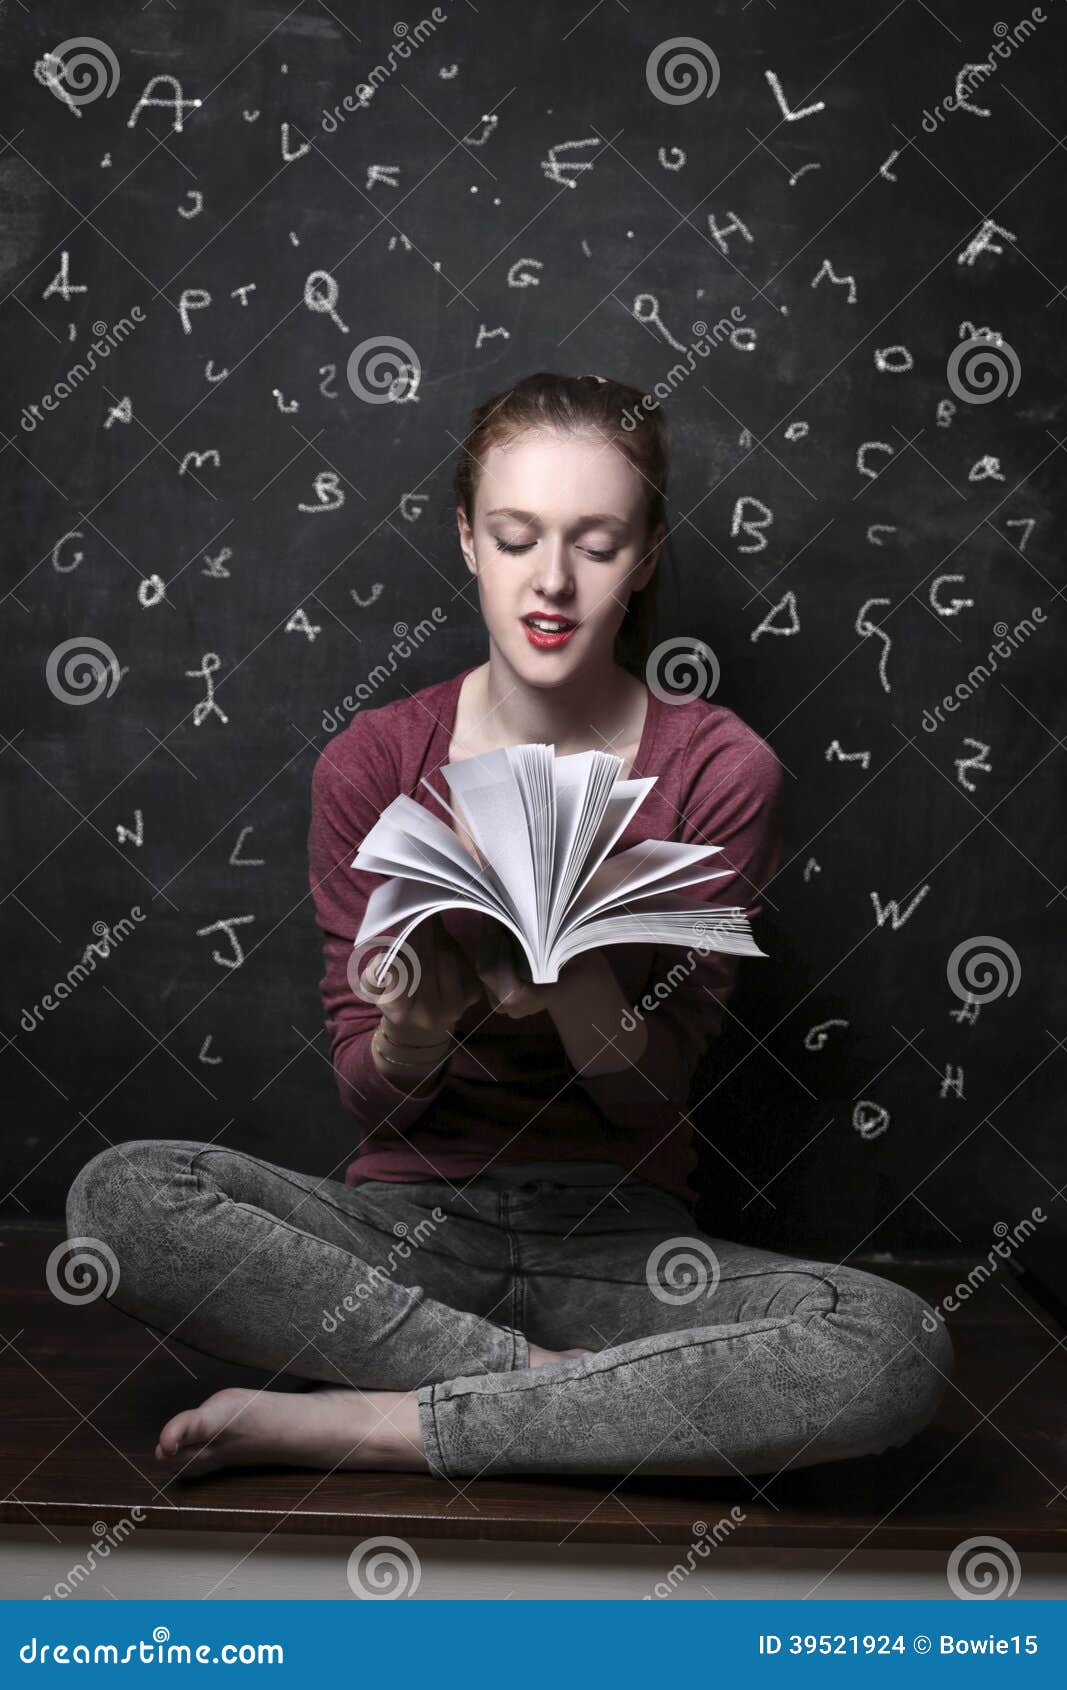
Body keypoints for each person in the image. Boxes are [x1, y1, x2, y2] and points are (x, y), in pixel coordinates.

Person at [65, 372, 953, 1484]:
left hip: (622, 1248)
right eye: (516, 536)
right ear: (467, 539)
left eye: (596, 542)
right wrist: (414, 1028)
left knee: (889, 1344)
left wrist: (576, 982)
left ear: (645, 554)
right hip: (401, 1242)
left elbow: (652, 1097)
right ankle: (534, 1387)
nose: (552, 580)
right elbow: (370, 1101)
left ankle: (382, 1423)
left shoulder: (720, 768)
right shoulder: (375, 759)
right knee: (122, 1199)